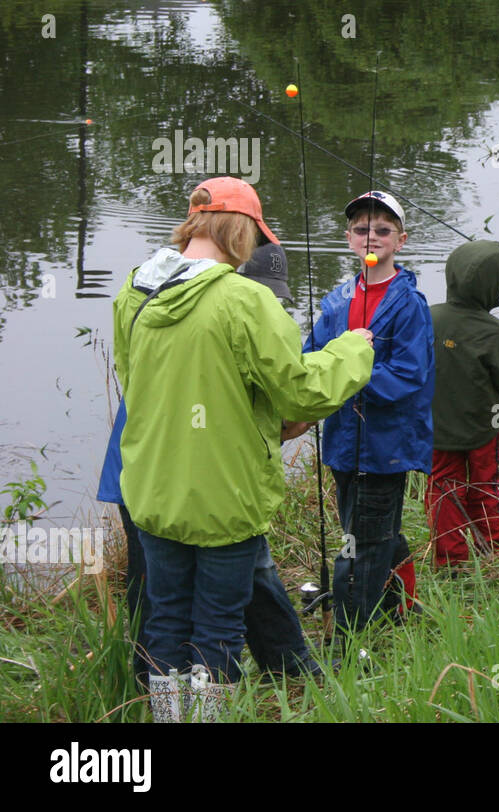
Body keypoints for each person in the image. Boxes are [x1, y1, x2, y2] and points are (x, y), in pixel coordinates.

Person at [113, 177, 373, 722]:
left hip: (152, 493)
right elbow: (300, 390)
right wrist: (352, 350)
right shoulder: (245, 299)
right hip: (225, 498)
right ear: (242, 231)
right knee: (217, 629)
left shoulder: (133, 290)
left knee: (166, 620)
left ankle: (168, 720)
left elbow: (133, 382)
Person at [97, 242, 327, 685]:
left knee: (237, 582)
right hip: (152, 481)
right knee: (169, 605)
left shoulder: (169, 304)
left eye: (274, 298)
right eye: (257, 293)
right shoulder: (201, 322)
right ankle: (154, 690)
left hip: (191, 485)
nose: (267, 306)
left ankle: (288, 667)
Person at [306, 191, 433, 638]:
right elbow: (311, 358)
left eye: (382, 230)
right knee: (374, 529)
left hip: (385, 447)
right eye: (362, 229)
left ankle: (349, 639)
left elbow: (408, 374)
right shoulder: (337, 301)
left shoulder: (410, 305)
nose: (371, 237)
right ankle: (400, 607)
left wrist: (349, 371)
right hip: (343, 441)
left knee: (359, 545)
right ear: (348, 238)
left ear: (400, 239)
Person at [426, 240, 499, 568]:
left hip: (436, 425)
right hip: (486, 425)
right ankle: (490, 547)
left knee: (444, 487)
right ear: (492, 287)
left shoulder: (427, 317)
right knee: (485, 481)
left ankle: (450, 558)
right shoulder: (494, 330)